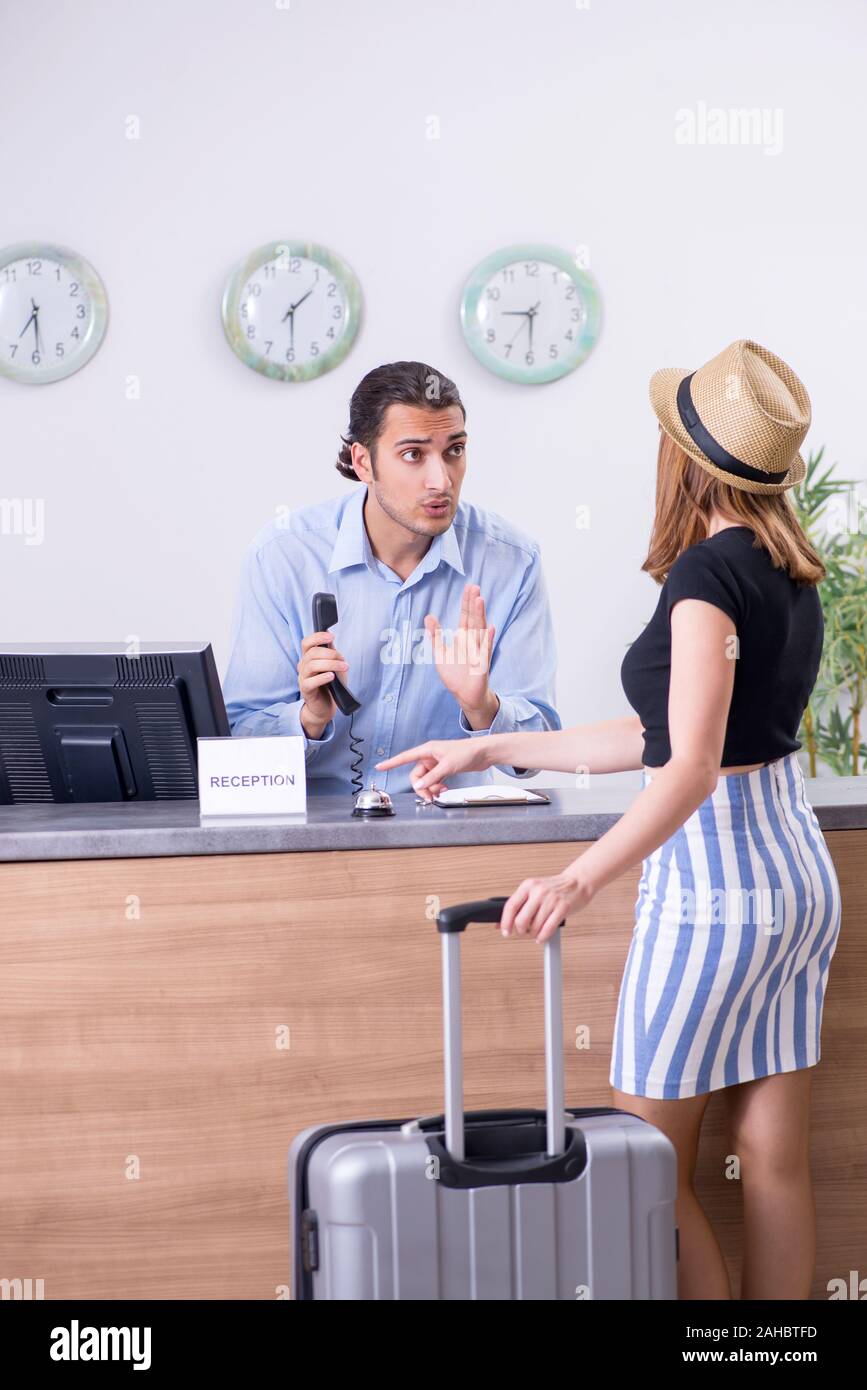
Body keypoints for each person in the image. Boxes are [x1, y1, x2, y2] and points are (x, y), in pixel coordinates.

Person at [377, 339, 843, 1300]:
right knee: (773, 1162)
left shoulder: (705, 578)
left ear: (683, 458)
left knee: (641, 1170)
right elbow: (657, 736)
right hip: (792, 877)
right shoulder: (785, 569)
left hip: (714, 893)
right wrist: (488, 745)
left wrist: (575, 877)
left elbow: (688, 772)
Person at [222, 360, 560, 795]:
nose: (441, 480)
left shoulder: (513, 562)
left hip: (449, 834)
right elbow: (235, 742)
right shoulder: (284, 557)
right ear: (363, 462)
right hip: (311, 834)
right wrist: (308, 720)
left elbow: (535, 755)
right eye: (413, 454)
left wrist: (483, 707)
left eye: (454, 450)